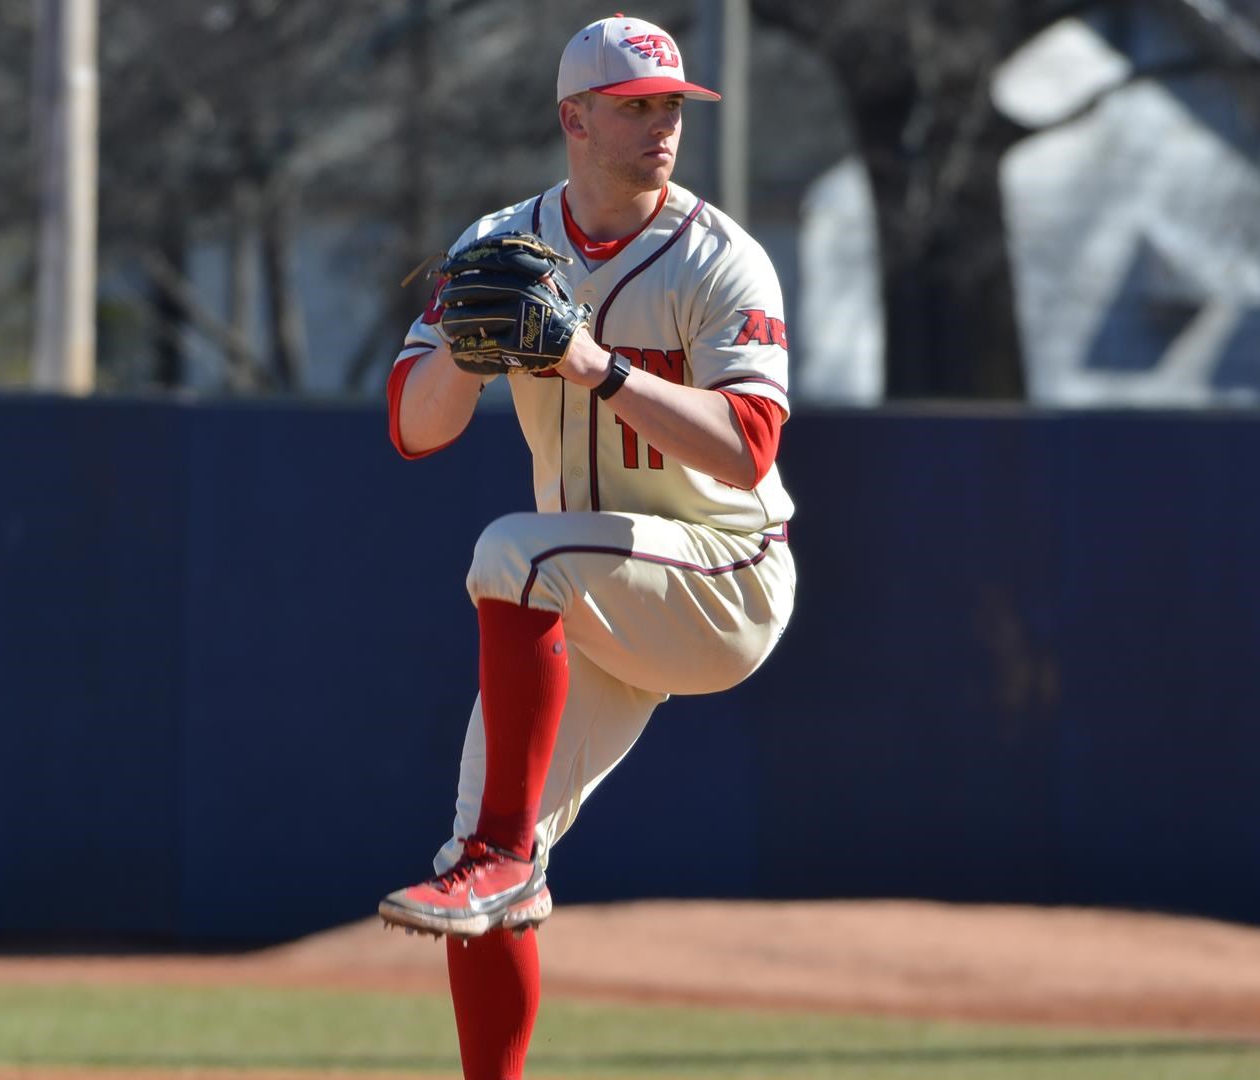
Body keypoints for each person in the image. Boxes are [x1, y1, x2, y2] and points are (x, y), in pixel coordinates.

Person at [378, 13, 796, 1079]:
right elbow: (414, 428)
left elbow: (747, 449)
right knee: (474, 866)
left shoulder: (720, 258)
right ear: (574, 119)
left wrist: (591, 363)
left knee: (514, 554)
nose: (662, 126)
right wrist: (468, 351)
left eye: (671, 107)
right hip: (592, 595)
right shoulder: (502, 241)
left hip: (724, 575)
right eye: (634, 107)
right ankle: (498, 872)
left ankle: (501, 859)